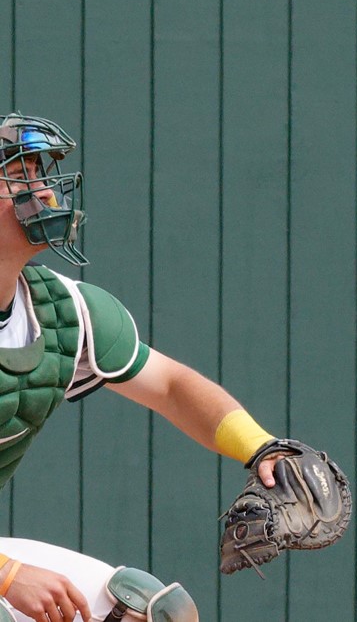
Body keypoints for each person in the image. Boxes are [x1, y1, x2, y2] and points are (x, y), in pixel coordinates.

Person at [0, 112, 295, 622]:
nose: (45, 192)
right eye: (19, 176)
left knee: (154, 612)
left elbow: (172, 387)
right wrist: (6, 574)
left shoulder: (64, 310)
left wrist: (261, 447)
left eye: (42, 174)